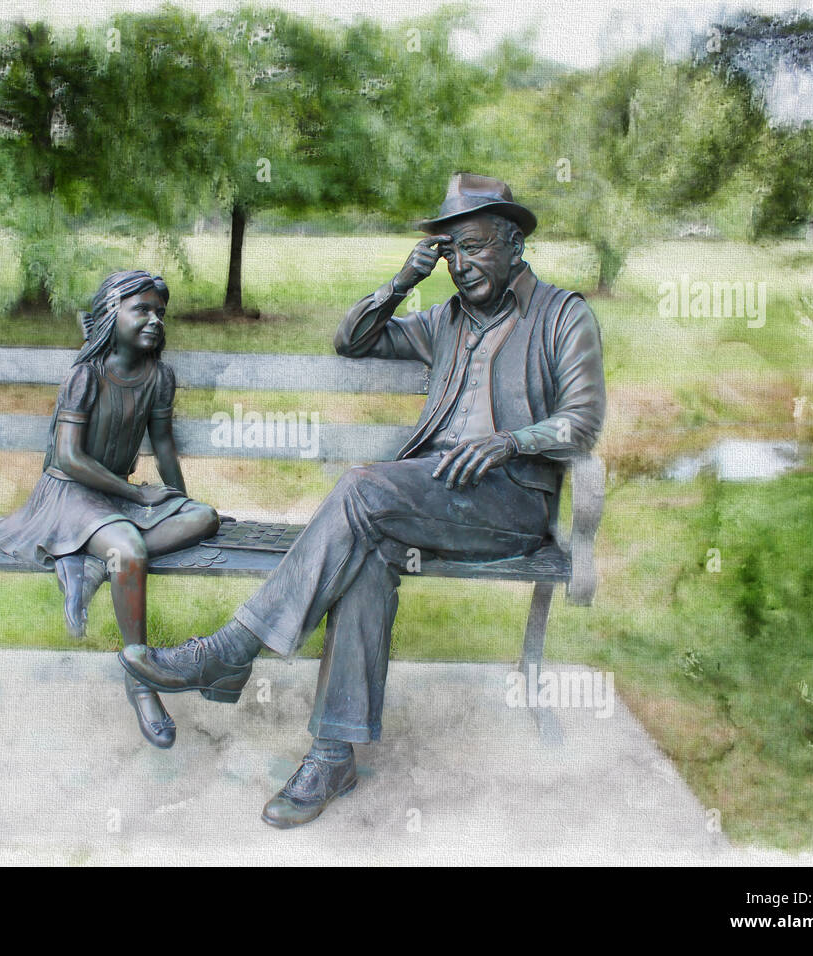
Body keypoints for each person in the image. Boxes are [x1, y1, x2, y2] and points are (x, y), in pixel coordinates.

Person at [119, 174, 607, 825]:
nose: (461, 265)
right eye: (450, 252)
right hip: (422, 501)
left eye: (475, 248)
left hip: (508, 506)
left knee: (360, 491)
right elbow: (352, 340)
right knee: (367, 552)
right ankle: (332, 752)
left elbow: (582, 421)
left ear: (514, 244)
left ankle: (232, 650)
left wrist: (511, 443)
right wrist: (403, 282)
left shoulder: (562, 315)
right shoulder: (447, 320)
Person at [0, 270, 220, 749]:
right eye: (142, 310)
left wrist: (177, 498)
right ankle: (142, 680)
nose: (154, 319)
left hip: (111, 497)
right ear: (112, 315)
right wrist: (138, 497)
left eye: (160, 312)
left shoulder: (159, 378)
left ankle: (92, 563)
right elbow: (68, 458)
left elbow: (165, 446)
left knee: (205, 518)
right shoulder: (85, 376)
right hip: (68, 496)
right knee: (129, 552)